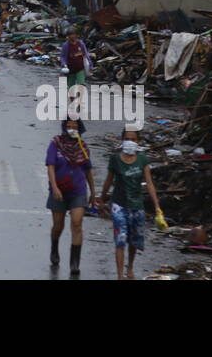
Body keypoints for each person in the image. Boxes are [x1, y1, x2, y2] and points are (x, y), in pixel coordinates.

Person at [101, 128, 163, 280]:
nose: (130, 142)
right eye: (127, 138)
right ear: (122, 140)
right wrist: (102, 199)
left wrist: (157, 206)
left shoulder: (142, 160)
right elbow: (109, 180)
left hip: (137, 205)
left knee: (133, 241)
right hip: (119, 205)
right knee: (121, 239)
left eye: (133, 139)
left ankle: (130, 267)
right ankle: (120, 275)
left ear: (138, 141)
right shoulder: (115, 159)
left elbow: (149, 183)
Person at [45, 118, 97, 275]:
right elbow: (51, 167)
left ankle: (74, 263)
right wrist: (54, 188)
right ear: (63, 127)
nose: (71, 129)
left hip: (78, 190)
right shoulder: (55, 144)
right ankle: (54, 247)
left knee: (77, 223)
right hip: (59, 191)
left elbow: (87, 169)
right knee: (58, 226)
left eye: (75, 127)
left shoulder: (83, 147)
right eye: (68, 126)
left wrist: (93, 192)